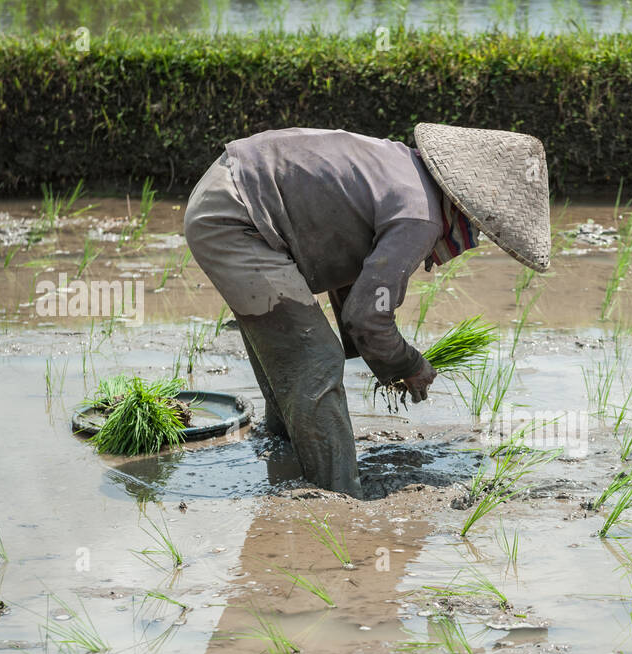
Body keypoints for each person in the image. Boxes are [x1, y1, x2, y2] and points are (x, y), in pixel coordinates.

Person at [183, 123, 551, 498]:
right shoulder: (420, 217)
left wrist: (377, 357)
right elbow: (367, 316)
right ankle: (337, 498)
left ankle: (285, 456)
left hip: (229, 191)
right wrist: (409, 365)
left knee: (293, 349)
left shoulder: (402, 169)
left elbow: (351, 275)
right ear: (466, 211)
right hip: (236, 219)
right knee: (315, 358)